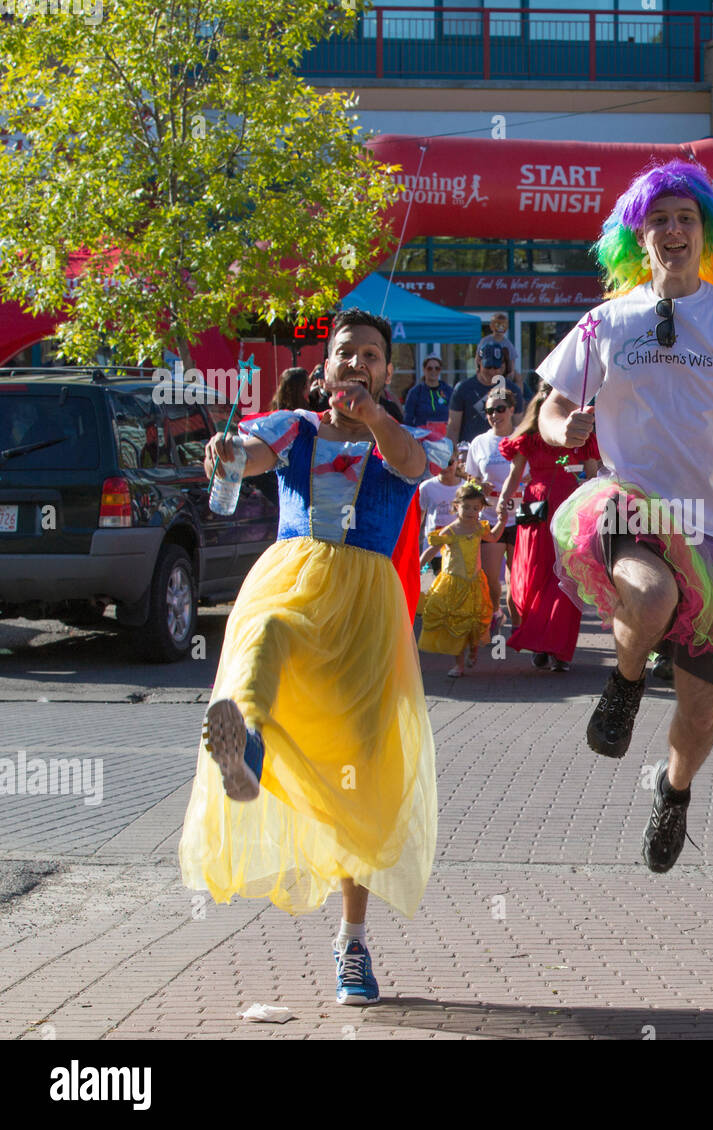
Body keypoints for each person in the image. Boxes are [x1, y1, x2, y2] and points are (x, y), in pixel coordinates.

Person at [179, 308, 451, 1005]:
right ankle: (245, 749)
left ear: (388, 372)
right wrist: (227, 453)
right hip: (294, 579)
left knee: (357, 769)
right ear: (324, 368)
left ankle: (352, 944)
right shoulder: (294, 427)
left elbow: (411, 465)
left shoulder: (409, 433)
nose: (356, 363)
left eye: (370, 355)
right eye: (344, 354)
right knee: (262, 637)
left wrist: (373, 417)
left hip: (364, 608)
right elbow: (251, 454)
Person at [537, 158, 713, 874]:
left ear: (703, 232)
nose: (673, 230)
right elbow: (550, 410)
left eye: (685, 218)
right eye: (659, 220)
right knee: (650, 593)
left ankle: (673, 791)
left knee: (704, 709)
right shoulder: (604, 322)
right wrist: (567, 430)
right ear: (637, 236)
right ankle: (622, 686)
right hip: (630, 506)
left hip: (707, 529)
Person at [497, 383, 600, 672]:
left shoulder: (582, 433)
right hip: (536, 512)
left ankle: (559, 649)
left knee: (565, 577)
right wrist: (503, 501)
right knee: (532, 577)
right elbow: (515, 474)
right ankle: (542, 643)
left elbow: (592, 476)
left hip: (568, 508)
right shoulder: (530, 436)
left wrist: (595, 507)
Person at [417, 481, 508, 676]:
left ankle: (473, 652)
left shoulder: (478, 527)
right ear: (456, 505)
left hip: (474, 583)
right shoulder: (449, 531)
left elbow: (492, 537)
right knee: (455, 623)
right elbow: (431, 551)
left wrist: (502, 521)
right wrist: (416, 567)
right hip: (453, 584)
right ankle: (458, 664)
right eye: (466, 507)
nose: (470, 511)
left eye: (476, 508)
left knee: (474, 622)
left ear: (481, 509)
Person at [464, 386, 524, 632]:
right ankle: (496, 613)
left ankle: (519, 632)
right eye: (489, 410)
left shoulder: (523, 438)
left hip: (522, 518)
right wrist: (480, 487)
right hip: (491, 519)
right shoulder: (479, 443)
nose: (494, 414)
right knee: (490, 582)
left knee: (517, 583)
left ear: (511, 409)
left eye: (500, 409)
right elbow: (469, 481)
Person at [446, 340, 525, 446]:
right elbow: (453, 428)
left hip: (504, 450)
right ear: (479, 362)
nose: (492, 372)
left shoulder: (513, 390)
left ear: (503, 366)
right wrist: (452, 454)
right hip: (469, 450)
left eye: (496, 367)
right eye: (488, 367)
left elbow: (518, 427)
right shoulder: (463, 388)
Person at [417, 443, 466, 576]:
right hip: (435, 546)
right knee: (441, 582)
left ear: (457, 462)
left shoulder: (465, 487)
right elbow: (419, 518)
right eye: (440, 462)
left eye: (449, 463)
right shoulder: (427, 487)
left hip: (459, 545)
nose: (445, 467)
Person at [403, 354, 455, 433]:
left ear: (440, 370)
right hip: (422, 437)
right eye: (429, 368)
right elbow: (408, 420)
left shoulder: (448, 391)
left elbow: (455, 416)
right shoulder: (415, 392)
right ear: (424, 370)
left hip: (444, 436)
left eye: (437, 368)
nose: (433, 371)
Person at [476, 312, 521, 378]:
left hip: (503, 373)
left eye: (503, 325)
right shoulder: (485, 341)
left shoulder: (508, 343)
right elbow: (478, 357)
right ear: (491, 326)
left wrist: (511, 371)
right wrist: (478, 369)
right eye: (497, 324)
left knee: (518, 378)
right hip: (487, 370)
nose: (500, 327)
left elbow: (512, 359)